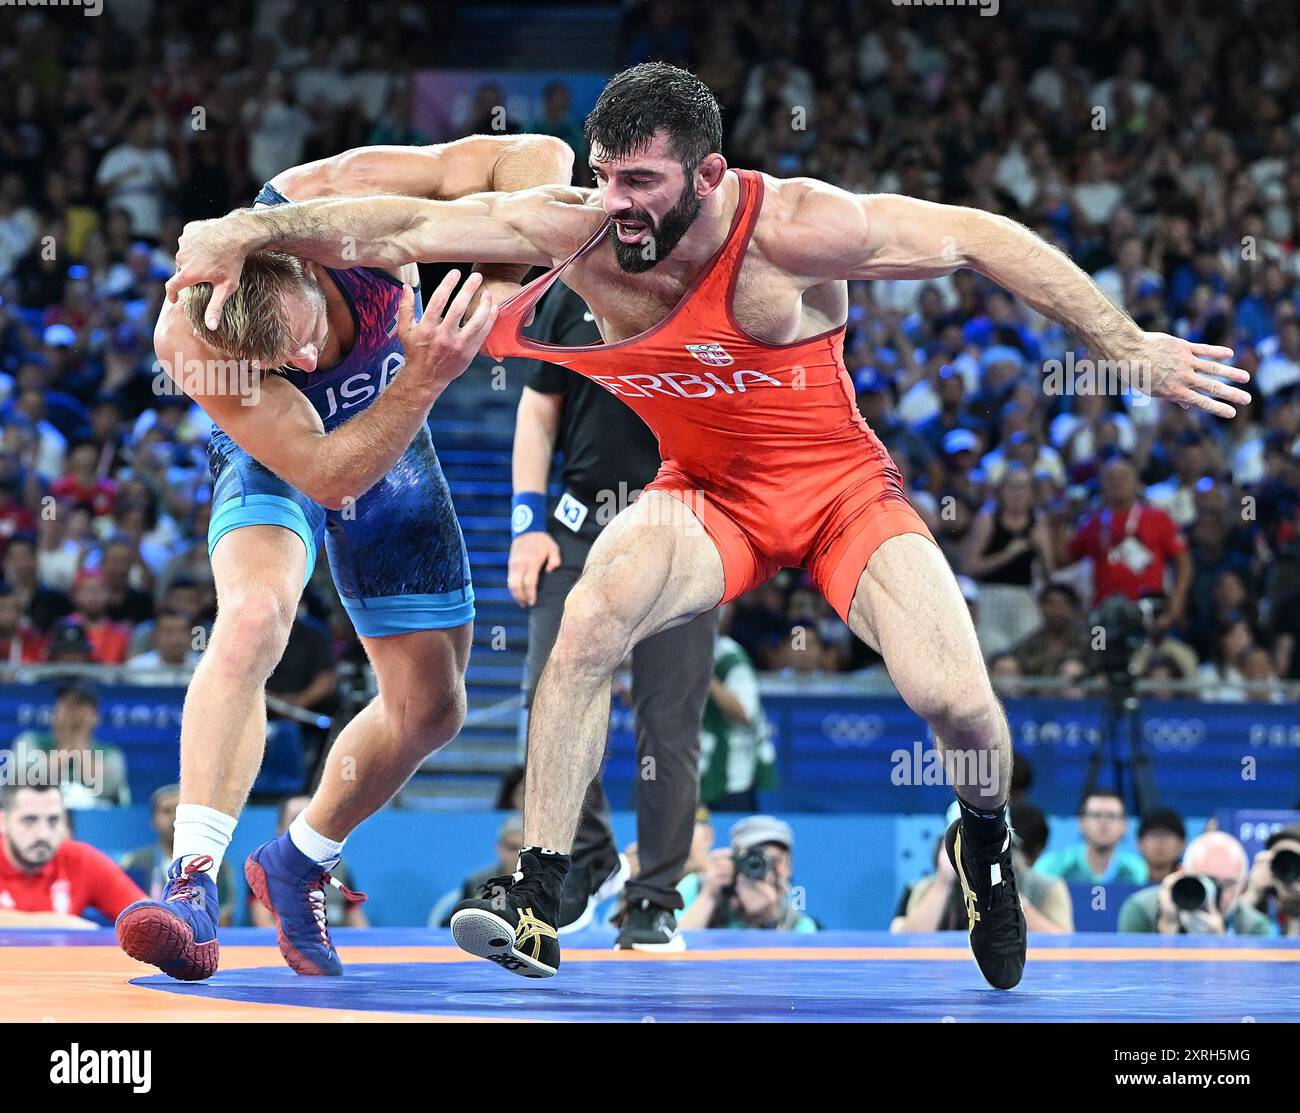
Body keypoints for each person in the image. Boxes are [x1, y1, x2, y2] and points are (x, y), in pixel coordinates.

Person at [169, 63, 1249, 990]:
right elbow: (407, 226)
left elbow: (975, 237)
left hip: (836, 495)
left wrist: (1123, 340)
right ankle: (541, 894)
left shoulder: (795, 226)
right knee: (587, 622)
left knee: (960, 708)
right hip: (703, 494)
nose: (616, 202)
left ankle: (984, 843)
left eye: (640, 181)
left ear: (708, 175)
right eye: (603, 175)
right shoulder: (579, 224)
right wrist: (244, 228)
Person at [114, 133, 573, 983]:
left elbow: (540, 158)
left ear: (303, 259)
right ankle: (190, 883)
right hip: (287, 446)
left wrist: (501, 285)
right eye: (278, 361)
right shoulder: (189, 335)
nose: (302, 359)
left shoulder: (343, 194)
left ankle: (297, 857)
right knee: (252, 615)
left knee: (433, 709)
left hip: (390, 424)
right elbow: (329, 473)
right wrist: (429, 376)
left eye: (308, 333)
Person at [509, 280, 718, 950]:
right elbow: (539, 410)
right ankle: (585, 850)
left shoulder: (719, 292)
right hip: (575, 532)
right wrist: (525, 524)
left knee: (668, 724)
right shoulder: (573, 290)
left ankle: (654, 897)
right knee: (549, 697)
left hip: (682, 531)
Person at [0, 784, 145, 928]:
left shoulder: (81, 859)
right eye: (29, 820)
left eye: (53, 820)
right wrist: (61, 926)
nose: (43, 834)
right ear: (3, 821)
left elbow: (148, 918)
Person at [677, 816, 816, 932]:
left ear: (787, 869)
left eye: (774, 861)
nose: (765, 871)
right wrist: (710, 895)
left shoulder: (797, 925)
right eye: (754, 860)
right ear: (735, 861)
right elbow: (672, 950)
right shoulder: (695, 887)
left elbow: (794, 962)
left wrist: (768, 920)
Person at [120, 784, 235, 925]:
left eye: (179, 811)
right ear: (153, 820)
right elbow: (125, 913)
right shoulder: (135, 863)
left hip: (196, 940)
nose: (174, 818)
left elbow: (223, 917)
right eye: (166, 811)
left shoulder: (210, 864)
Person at [249, 795, 367, 931]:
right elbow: (264, 926)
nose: (304, 828)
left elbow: (359, 925)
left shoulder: (338, 867)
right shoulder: (263, 869)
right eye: (296, 819)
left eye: (310, 820)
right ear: (280, 828)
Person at [1118, 831, 1271, 935]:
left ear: (1243, 885)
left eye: (1229, 884)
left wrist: (1219, 944)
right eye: (1208, 881)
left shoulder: (1253, 926)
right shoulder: (1142, 909)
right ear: (1181, 873)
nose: (1218, 893)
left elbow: (1252, 981)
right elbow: (1133, 976)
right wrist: (1166, 929)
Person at [12, 684, 130, 809]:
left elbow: (109, 787)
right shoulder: (31, 741)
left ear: (95, 716)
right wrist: (65, 747)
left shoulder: (110, 752)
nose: (72, 714)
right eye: (66, 705)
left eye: (79, 706)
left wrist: (80, 744)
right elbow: (23, 780)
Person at [699, 626, 776, 812]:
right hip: (692, 773)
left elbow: (745, 713)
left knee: (734, 838)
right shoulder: (673, 652)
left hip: (732, 780)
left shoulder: (732, 660)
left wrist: (704, 675)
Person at [1035, 792, 1149, 885]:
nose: (1104, 822)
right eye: (1096, 815)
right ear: (1081, 823)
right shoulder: (1052, 865)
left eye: (1112, 816)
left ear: (1124, 825)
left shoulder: (1137, 869)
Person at [1135, 808, 1186, 884]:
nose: (1161, 841)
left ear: (1182, 844)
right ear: (1139, 843)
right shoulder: (1125, 879)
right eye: (1154, 834)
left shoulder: (1191, 882)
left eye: (1168, 834)